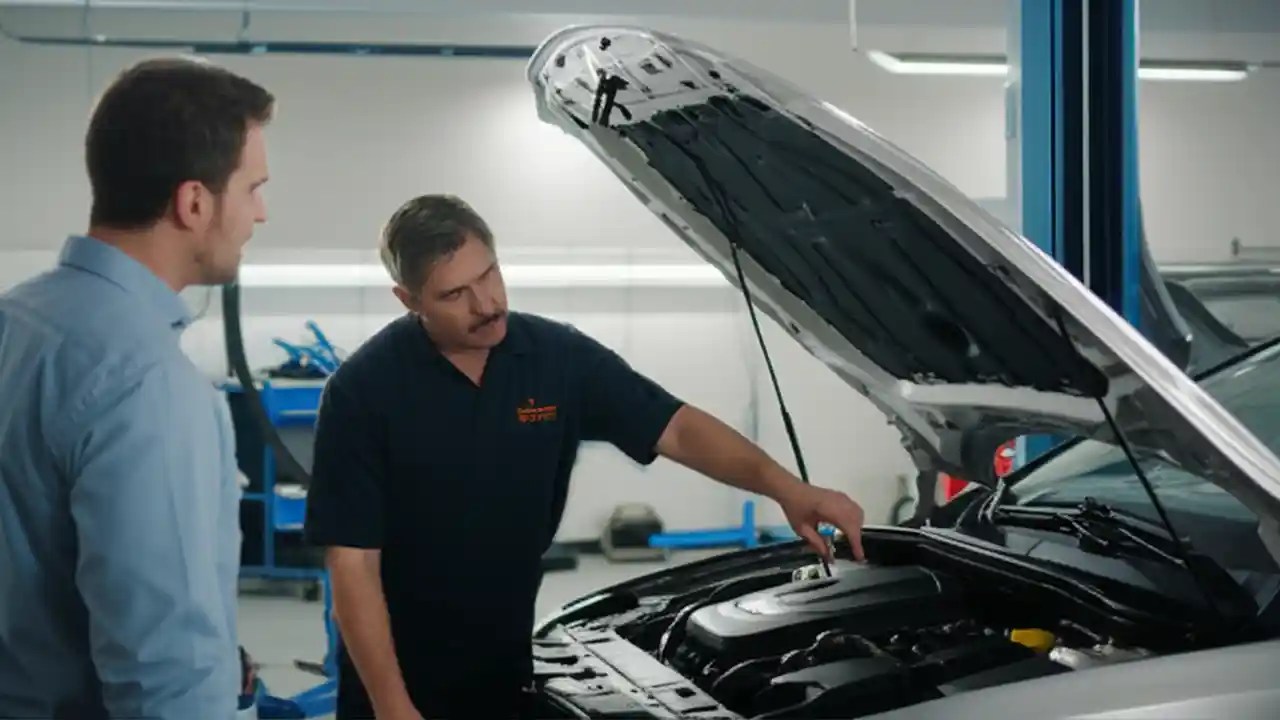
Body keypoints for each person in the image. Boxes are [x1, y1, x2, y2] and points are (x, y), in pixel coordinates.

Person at [304, 194, 868, 720]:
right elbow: (352, 567)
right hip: (397, 679)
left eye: (489, 274)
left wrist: (788, 488)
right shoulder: (365, 392)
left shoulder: (554, 358)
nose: (487, 303)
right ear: (408, 301)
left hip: (506, 664)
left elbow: (676, 427)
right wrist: (392, 707)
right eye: (455, 294)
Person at [0, 57, 273, 719]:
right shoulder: (148, 383)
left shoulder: (18, 320)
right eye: (253, 188)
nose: (261, 214)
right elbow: (164, 675)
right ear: (195, 203)